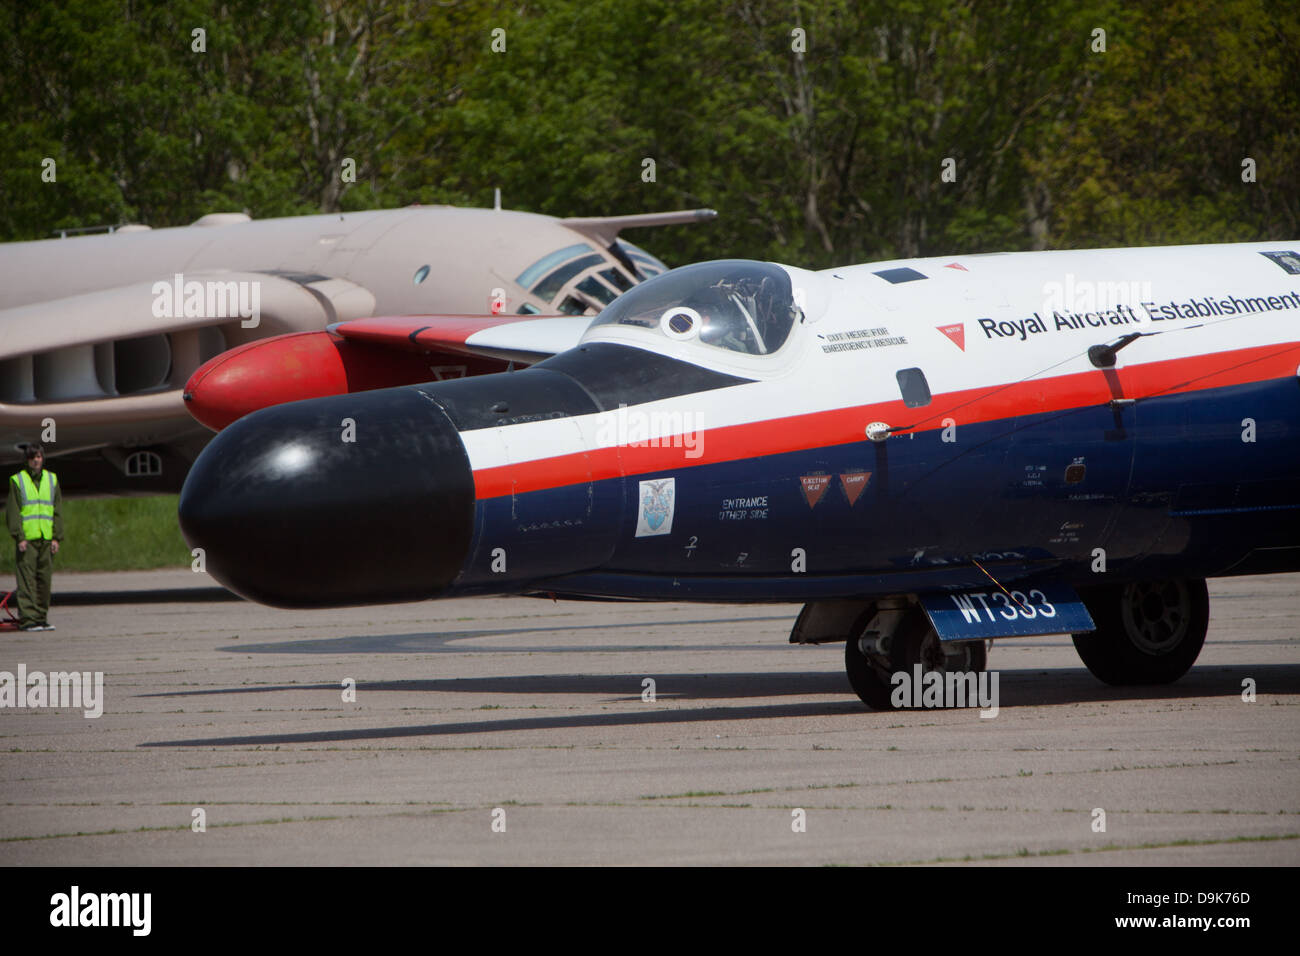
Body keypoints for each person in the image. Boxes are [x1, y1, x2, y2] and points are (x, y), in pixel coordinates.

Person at [6, 444, 62, 631]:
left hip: (45, 537)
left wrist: (56, 537)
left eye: (38, 457)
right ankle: (28, 619)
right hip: (27, 540)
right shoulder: (18, 480)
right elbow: (13, 511)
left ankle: (41, 617)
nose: (36, 460)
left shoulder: (51, 479)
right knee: (27, 580)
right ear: (27, 460)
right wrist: (19, 536)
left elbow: (57, 511)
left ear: (42, 458)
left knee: (44, 580)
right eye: (32, 458)